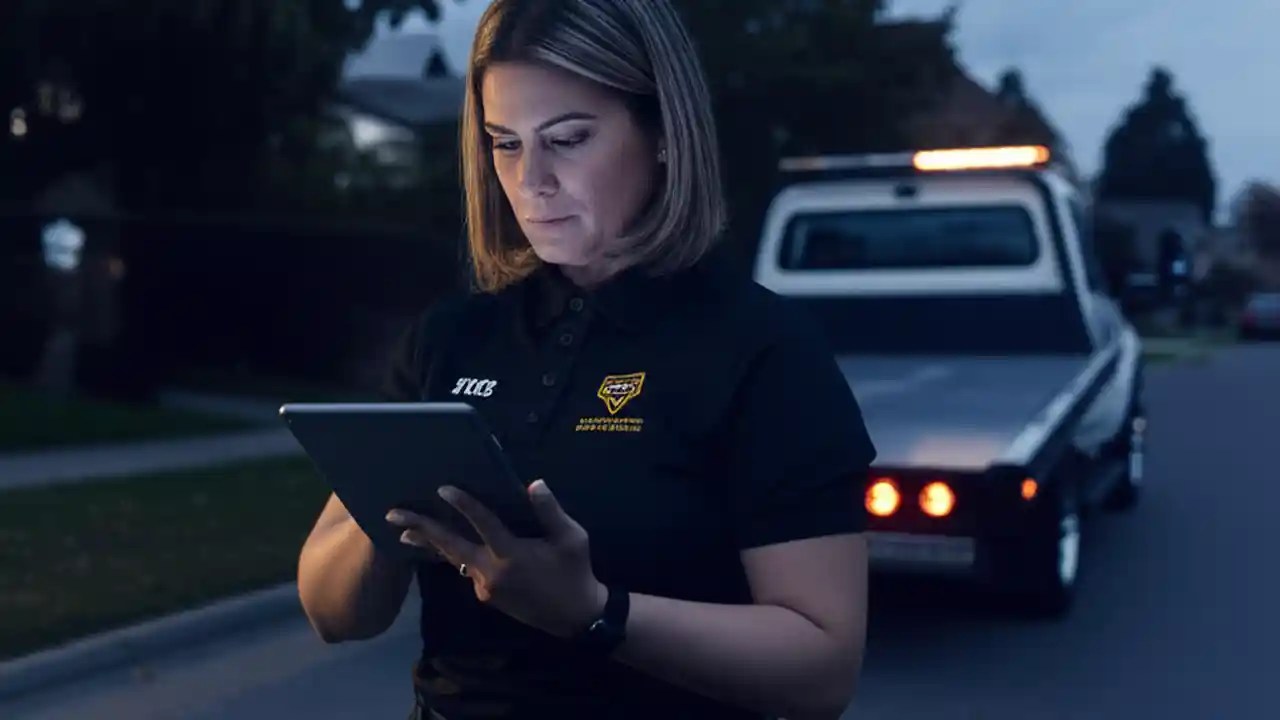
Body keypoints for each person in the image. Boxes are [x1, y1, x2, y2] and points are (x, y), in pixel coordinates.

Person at [296, 1, 878, 718]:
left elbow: (822, 671)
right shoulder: (452, 337)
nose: (531, 181)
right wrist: (390, 510)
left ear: (663, 131)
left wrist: (594, 612)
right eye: (504, 144)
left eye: (567, 139)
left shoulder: (763, 350)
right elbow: (333, 615)